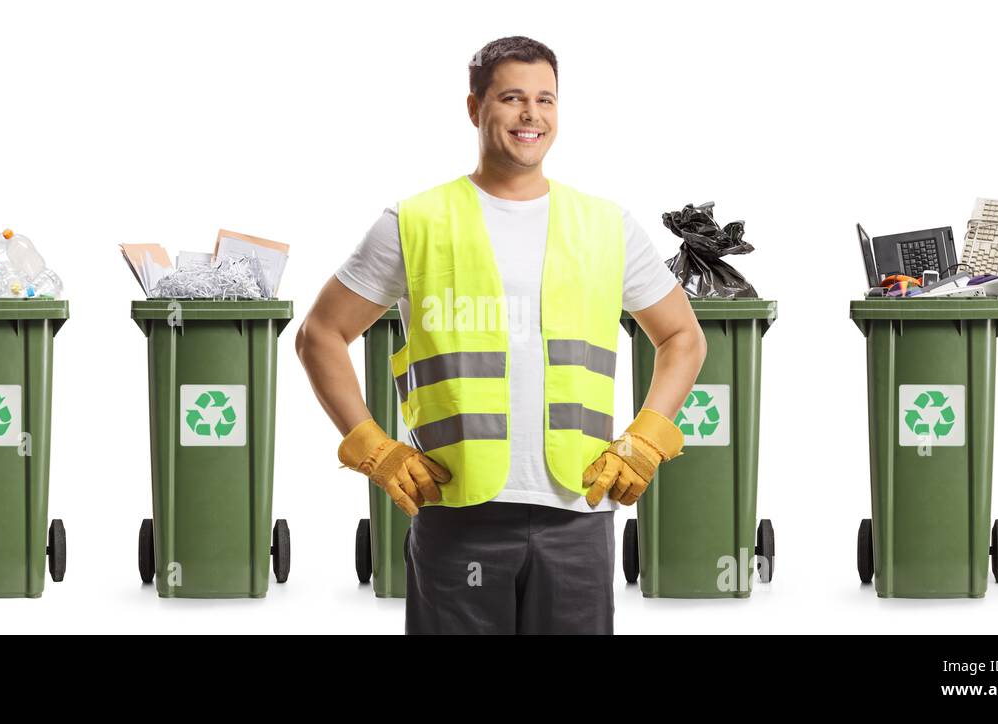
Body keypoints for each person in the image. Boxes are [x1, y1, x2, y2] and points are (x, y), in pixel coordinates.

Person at [295, 36, 705, 634]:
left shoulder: (606, 226)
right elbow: (320, 333)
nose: (530, 114)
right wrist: (374, 449)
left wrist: (646, 437)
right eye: (512, 98)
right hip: (459, 513)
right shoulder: (415, 222)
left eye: (545, 99)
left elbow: (682, 337)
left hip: (578, 511)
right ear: (474, 108)